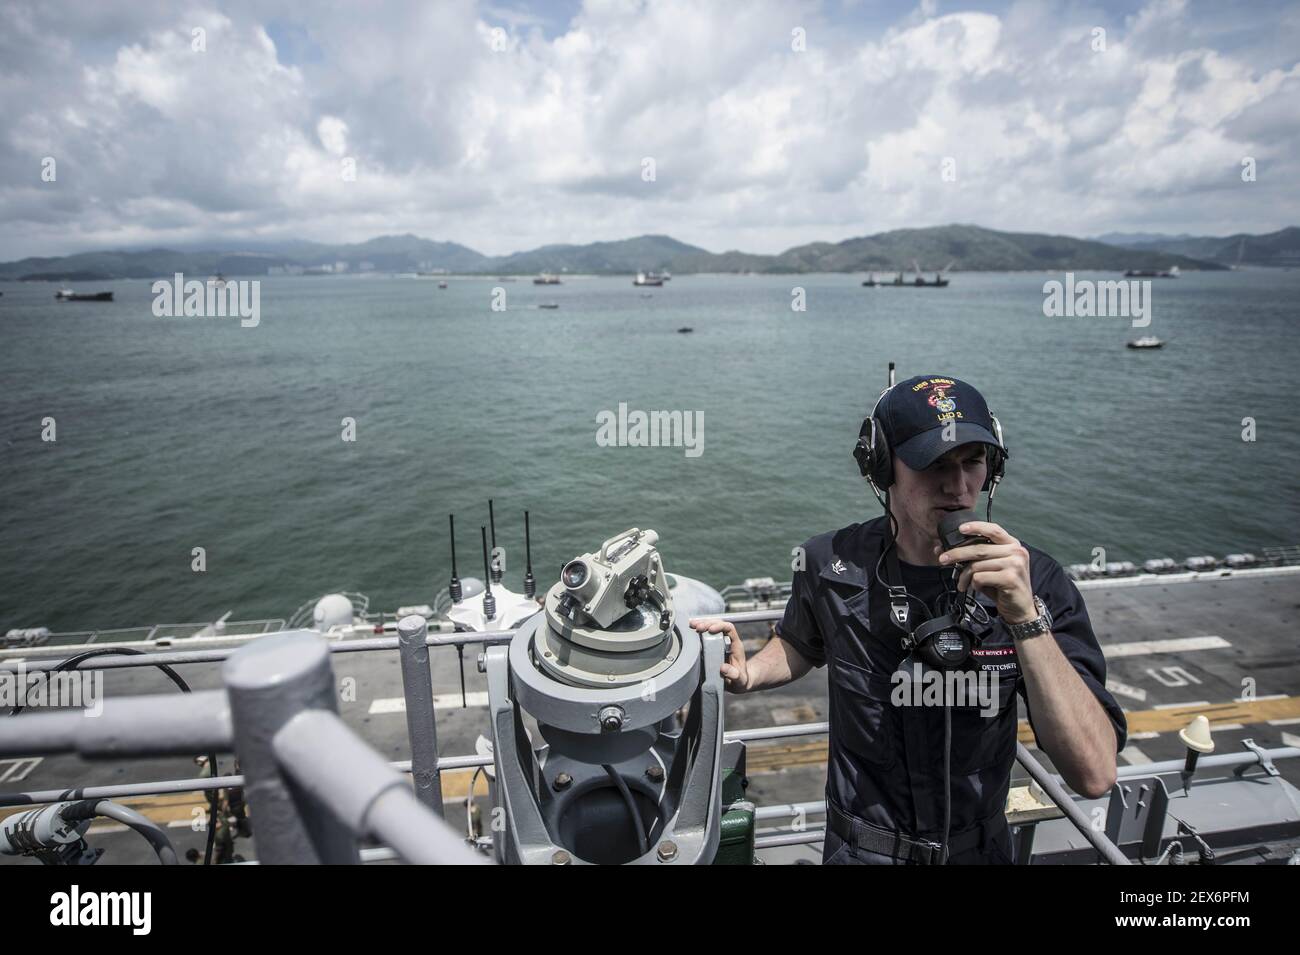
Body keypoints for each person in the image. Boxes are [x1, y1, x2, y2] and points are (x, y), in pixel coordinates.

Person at [690, 374, 1126, 864]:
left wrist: (1025, 618)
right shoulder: (828, 562)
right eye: (935, 465)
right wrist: (750, 671)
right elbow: (800, 642)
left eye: (974, 463)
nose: (959, 488)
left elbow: (1093, 774)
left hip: (979, 852)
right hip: (859, 851)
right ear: (881, 468)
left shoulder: (1036, 581)